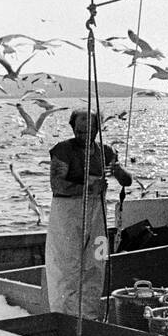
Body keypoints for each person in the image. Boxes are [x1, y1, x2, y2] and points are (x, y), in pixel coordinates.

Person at [46, 110, 132, 320]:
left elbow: (127, 181)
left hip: (98, 217)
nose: (83, 134)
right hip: (67, 216)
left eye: (89, 130)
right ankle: (63, 318)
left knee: (97, 262)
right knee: (66, 268)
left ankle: (90, 316)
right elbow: (56, 185)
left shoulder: (107, 151)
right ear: (73, 128)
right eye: (79, 130)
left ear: (97, 129)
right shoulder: (63, 150)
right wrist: (88, 187)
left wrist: (119, 171)